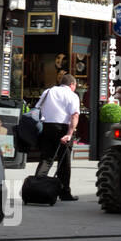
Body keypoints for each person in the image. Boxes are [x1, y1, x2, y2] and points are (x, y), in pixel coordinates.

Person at [35, 72, 80, 201]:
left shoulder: (48, 92)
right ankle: (64, 192)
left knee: (46, 159)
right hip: (63, 128)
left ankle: (37, 188)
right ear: (72, 84)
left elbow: (38, 107)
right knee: (64, 161)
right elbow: (74, 116)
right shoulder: (72, 96)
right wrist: (69, 134)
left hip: (47, 127)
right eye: (75, 85)